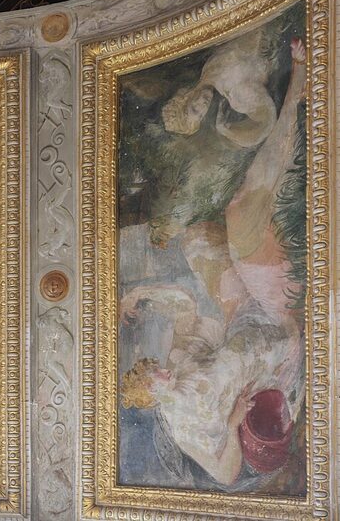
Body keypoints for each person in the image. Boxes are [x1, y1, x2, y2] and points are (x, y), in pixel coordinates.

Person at [118, 37, 307, 487]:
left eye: (149, 369)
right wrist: (232, 423)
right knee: (242, 214)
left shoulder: (179, 367)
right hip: (280, 340)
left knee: (196, 236)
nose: (157, 370)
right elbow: (227, 474)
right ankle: (300, 91)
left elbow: (187, 311)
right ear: (150, 400)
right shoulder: (188, 427)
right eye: (153, 377)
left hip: (244, 318)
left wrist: (141, 292)